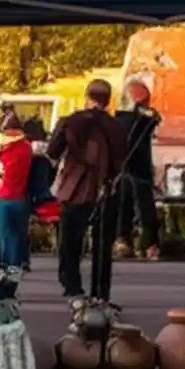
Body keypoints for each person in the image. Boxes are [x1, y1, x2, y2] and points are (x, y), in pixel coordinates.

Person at [47, 79, 128, 300]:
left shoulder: (71, 121)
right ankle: (101, 294)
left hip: (75, 187)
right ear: (108, 100)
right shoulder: (116, 127)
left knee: (70, 241)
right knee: (103, 246)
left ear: (87, 97)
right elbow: (123, 159)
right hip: (105, 189)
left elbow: (53, 151)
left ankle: (72, 287)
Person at [114, 79, 160, 260]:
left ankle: (128, 241)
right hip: (134, 168)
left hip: (129, 169)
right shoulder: (136, 121)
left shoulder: (133, 121)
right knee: (140, 205)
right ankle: (145, 244)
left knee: (129, 204)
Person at [0, 114, 32, 270]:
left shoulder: (4, 147)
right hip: (21, 197)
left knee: (4, 239)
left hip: (3, 196)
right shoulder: (26, 147)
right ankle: (14, 276)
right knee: (17, 238)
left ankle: (5, 282)